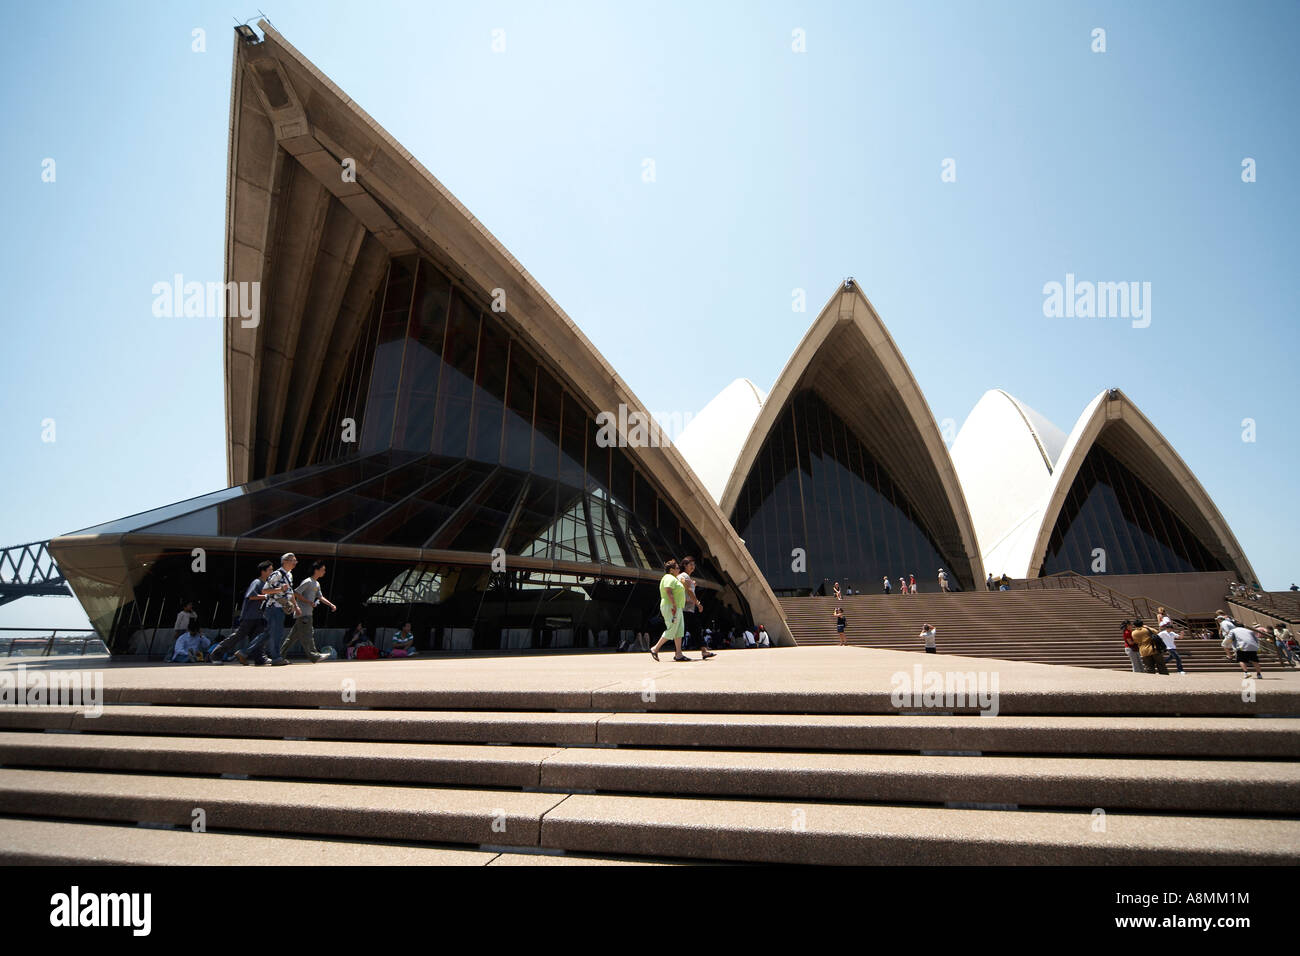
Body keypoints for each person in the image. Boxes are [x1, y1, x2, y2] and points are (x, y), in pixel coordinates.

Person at [210, 560, 281, 665]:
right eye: (270, 570)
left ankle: (260, 658)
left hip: (260, 616)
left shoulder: (267, 585)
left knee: (258, 638)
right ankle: (216, 654)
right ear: (263, 571)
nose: (272, 572)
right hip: (250, 616)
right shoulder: (257, 582)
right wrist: (266, 596)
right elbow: (251, 596)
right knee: (238, 636)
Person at [279, 559, 334, 663]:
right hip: (304, 613)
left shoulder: (316, 584)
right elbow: (296, 593)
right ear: (316, 570)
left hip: (307, 613)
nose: (324, 572)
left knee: (292, 638)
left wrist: (330, 604)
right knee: (308, 634)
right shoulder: (308, 581)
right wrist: (309, 602)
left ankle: (279, 656)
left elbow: (320, 597)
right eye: (323, 570)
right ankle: (314, 656)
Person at [260, 553, 299, 666]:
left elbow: (290, 592)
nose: (295, 563)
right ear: (285, 561)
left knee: (268, 634)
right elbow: (265, 591)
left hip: (281, 608)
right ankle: (276, 658)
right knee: (276, 634)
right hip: (273, 608)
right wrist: (279, 589)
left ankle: (244, 652)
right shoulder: (277, 574)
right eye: (294, 560)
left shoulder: (289, 575)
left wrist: (296, 606)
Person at [650, 559, 691, 662]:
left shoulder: (674, 578)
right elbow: (668, 591)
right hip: (671, 607)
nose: (679, 569)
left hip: (677, 607)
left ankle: (679, 654)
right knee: (672, 629)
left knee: (679, 630)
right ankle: (655, 648)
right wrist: (674, 605)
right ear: (671, 570)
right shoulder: (668, 577)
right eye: (677, 568)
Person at [678, 556, 715, 659]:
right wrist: (697, 603)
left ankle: (704, 651)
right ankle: (673, 652)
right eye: (690, 564)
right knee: (682, 631)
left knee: (696, 630)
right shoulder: (684, 576)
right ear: (684, 565)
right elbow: (689, 591)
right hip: (685, 609)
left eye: (694, 565)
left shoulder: (686, 577)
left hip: (688, 610)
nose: (693, 567)